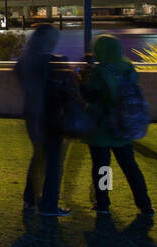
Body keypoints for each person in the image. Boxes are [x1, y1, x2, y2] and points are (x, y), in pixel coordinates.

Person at [79, 35, 154, 216]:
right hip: (124, 123)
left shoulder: (101, 71)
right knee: (130, 166)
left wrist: (81, 78)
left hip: (103, 127)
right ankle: (145, 204)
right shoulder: (128, 67)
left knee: (103, 167)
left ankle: (103, 203)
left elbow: (90, 96)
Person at [14, 24, 70, 216]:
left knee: (38, 158)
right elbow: (69, 90)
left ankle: (30, 200)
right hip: (53, 116)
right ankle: (49, 205)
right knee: (54, 163)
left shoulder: (24, 62)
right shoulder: (56, 62)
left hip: (31, 115)